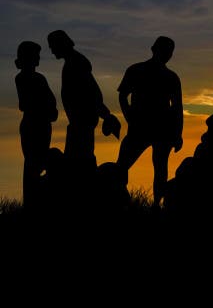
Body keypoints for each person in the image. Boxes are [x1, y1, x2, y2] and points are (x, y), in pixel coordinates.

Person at [116, 36, 183, 208]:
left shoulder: (171, 77)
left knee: (160, 168)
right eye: (165, 51)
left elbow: (177, 107)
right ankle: (119, 198)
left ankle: (156, 205)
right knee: (122, 165)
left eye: (170, 52)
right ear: (154, 50)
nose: (168, 54)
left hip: (162, 129)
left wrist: (177, 134)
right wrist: (129, 117)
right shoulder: (136, 70)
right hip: (140, 127)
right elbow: (122, 96)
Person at [46, 30, 120, 181]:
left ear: (61, 44)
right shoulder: (73, 62)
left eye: (52, 46)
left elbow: (91, 91)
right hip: (79, 120)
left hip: (82, 120)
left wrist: (104, 113)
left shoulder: (76, 63)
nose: (52, 51)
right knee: (79, 158)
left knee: (80, 160)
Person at [14, 40, 58, 209]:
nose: (39, 58)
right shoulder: (22, 78)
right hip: (33, 126)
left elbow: (50, 99)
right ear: (29, 57)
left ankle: (38, 202)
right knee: (33, 165)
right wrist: (46, 108)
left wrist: (49, 109)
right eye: (36, 55)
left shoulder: (39, 78)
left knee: (37, 164)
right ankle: (31, 204)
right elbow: (25, 104)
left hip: (42, 124)